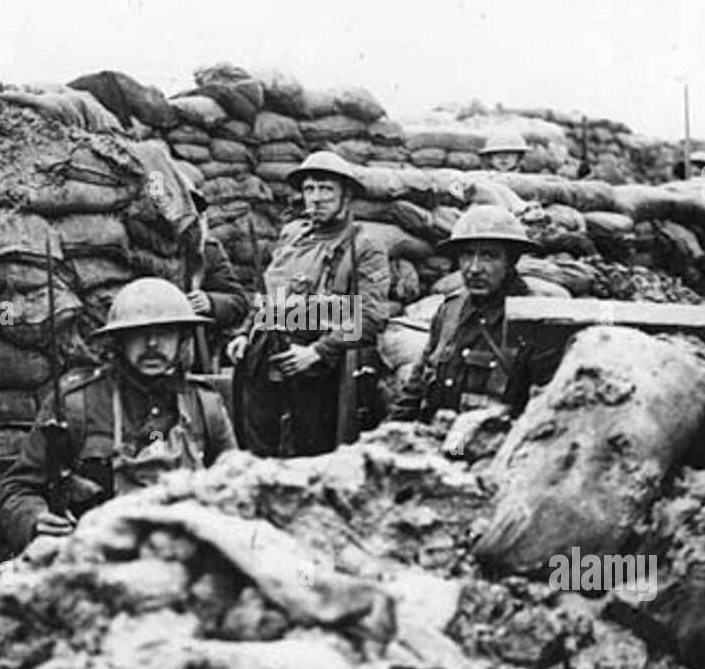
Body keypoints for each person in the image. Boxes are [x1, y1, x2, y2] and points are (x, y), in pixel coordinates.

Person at [0, 276, 236, 551]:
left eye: (166, 331)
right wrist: (34, 519)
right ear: (119, 341)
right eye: (139, 333)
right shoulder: (76, 404)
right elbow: (15, 490)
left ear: (182, 338)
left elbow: (239, 487)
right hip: (100, 558)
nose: (153, 344)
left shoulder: (205, 405)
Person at [227, 151, 390, 455]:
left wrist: (318, 351)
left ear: (347, 196)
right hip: (265, 355)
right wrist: (243, 331)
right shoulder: (291, 236)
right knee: (256, 451)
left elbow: (372, 317)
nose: (316, 198)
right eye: (309, 189)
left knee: (309, 455)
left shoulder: (365, 247)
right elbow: (271, 295)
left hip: (320, 368)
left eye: (327, 189)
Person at [389, 206, 565, 423]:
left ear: (511, 262)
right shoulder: (450, 310)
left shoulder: (534, 319)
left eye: (489, 256)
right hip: (439, 441)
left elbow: (545, 411)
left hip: (493, 448)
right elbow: (415, 388)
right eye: (467, 254)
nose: (474, 268)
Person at [182, 183, 249, 369]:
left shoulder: (207, 252)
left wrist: (211, 302)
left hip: (195, 354)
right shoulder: (140, 250)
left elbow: (238, 302)